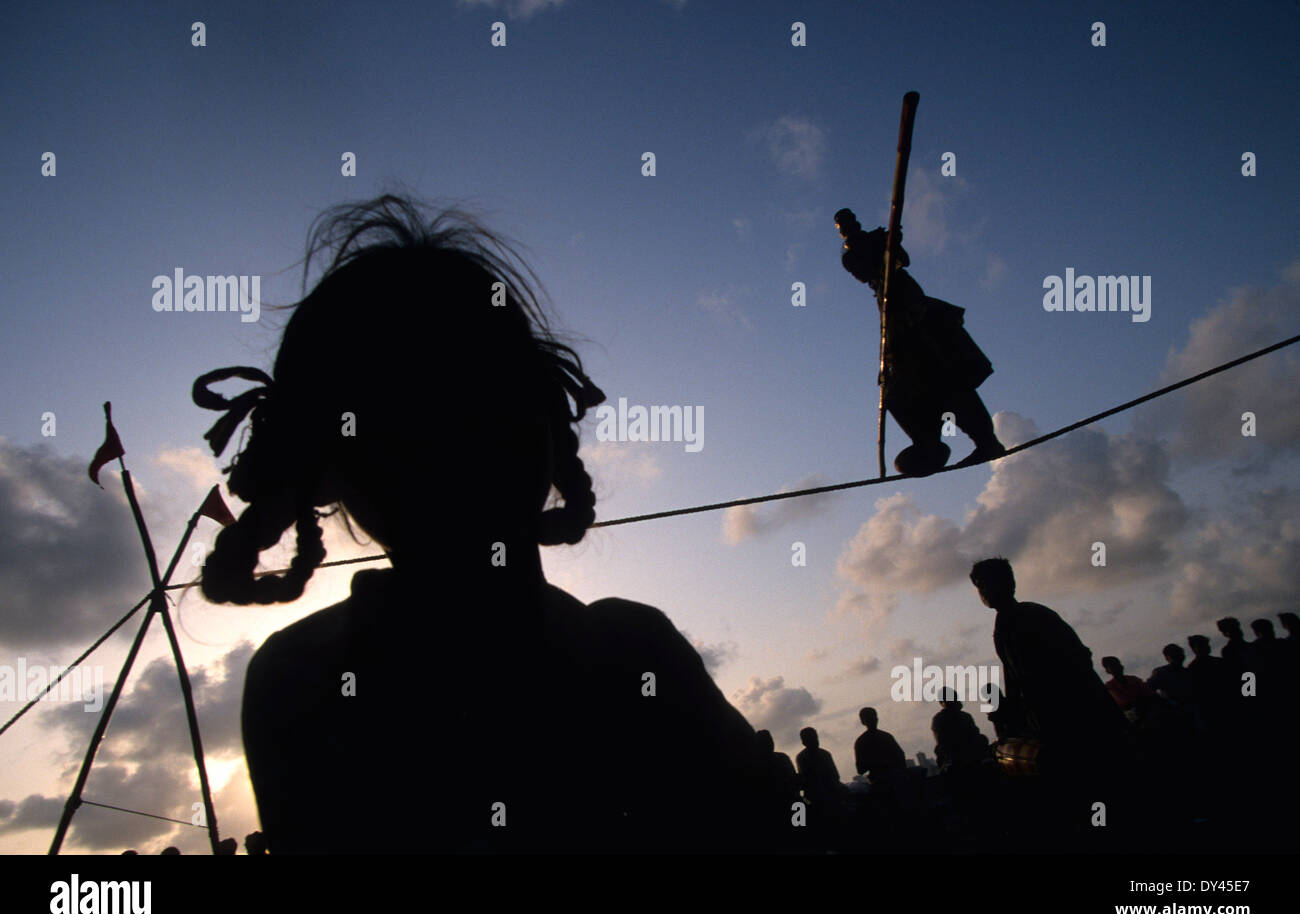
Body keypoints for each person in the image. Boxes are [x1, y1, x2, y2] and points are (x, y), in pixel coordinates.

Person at [193, 194, 773, 853]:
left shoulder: (294, 680)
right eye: (410, 417)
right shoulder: (633, 653)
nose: (453, 443)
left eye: (476, 397)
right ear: (550, 420)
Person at [834, 209, 1005, 476]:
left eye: (857, 266)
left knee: (943, 380)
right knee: (900, 391)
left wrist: (888, 246)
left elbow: (899, 261)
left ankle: (983, 442)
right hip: (901, 334)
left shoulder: (888, 269)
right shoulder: (878, 284)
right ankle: (929, 441)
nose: (856, 275)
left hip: (916, 327)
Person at [968, 558, 1131, 779]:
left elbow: (1072, 662)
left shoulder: (1028, 617)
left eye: (987, 583)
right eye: (980, 585)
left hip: (1075, 717)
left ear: (1010, 583)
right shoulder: (1012, 622)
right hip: (1063, 719)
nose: (984, 591)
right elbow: (1016, 678)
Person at [853, 707, 907, 783]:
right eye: (870, 718)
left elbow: (860, 769)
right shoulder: (886, 737)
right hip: (894, 779)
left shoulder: (861, 742)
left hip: (879, 782)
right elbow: (901, 758)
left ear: (862, 722)